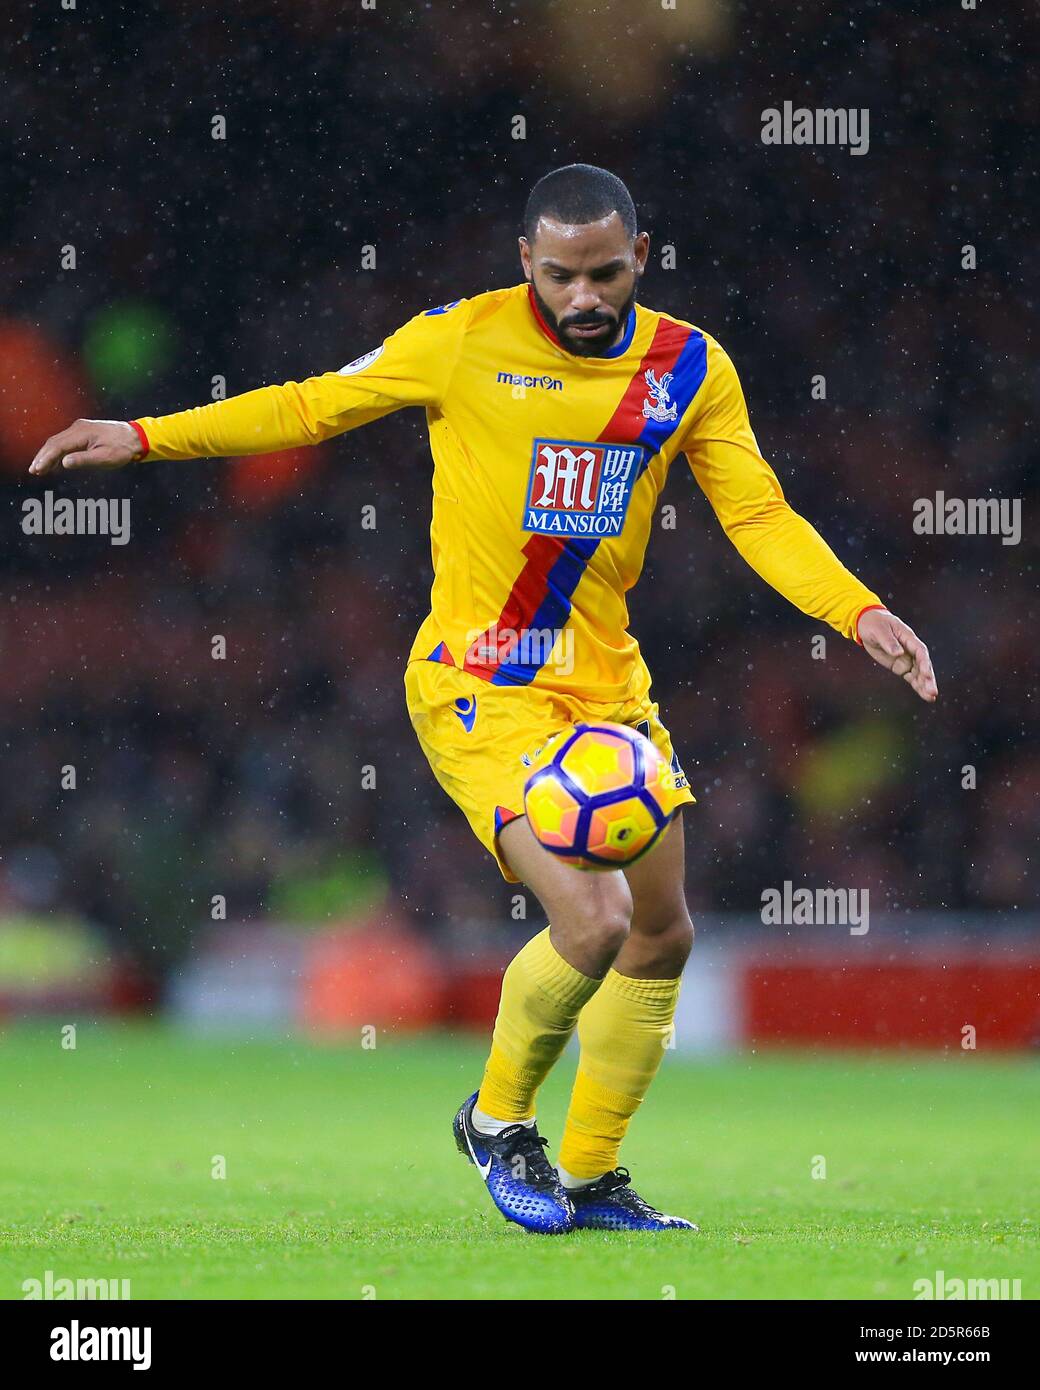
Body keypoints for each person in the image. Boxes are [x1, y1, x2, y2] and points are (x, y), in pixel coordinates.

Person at [30, 163, 937, 1235]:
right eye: (560, 276)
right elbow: (312, 405)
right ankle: (499, 1122)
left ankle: (596, 1176)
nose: (585, 297)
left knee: (661, 932)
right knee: (590, 917)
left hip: (605, 687)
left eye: (605, 273)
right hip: (478, 683)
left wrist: (856, 610)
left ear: (639, 258)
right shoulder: (460, 338)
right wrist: (142, 435)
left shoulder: (689, 366)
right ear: (525, 265)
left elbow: (758, 514)